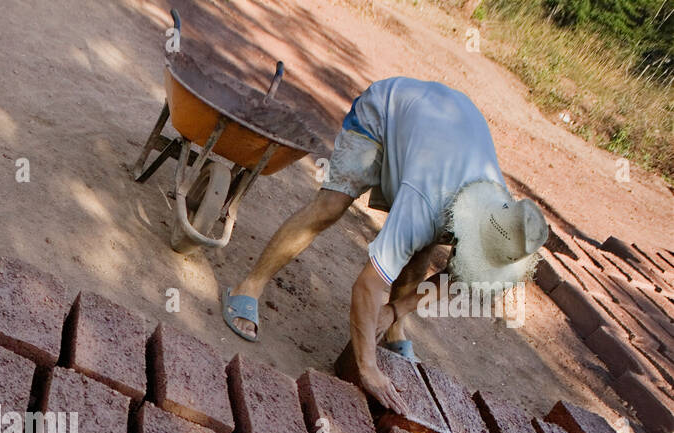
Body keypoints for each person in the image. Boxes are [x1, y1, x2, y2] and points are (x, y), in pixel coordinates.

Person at [221, 76, 548, 412]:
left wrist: (394, 310)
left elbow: (459, 276)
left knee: (424, 243)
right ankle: (250, 286)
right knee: (331, 206)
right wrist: (368, 369)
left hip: (442, 132)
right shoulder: (426, 201)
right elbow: (367, 285)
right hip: (386, 113)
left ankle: (395, 328)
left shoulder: (507, 224)